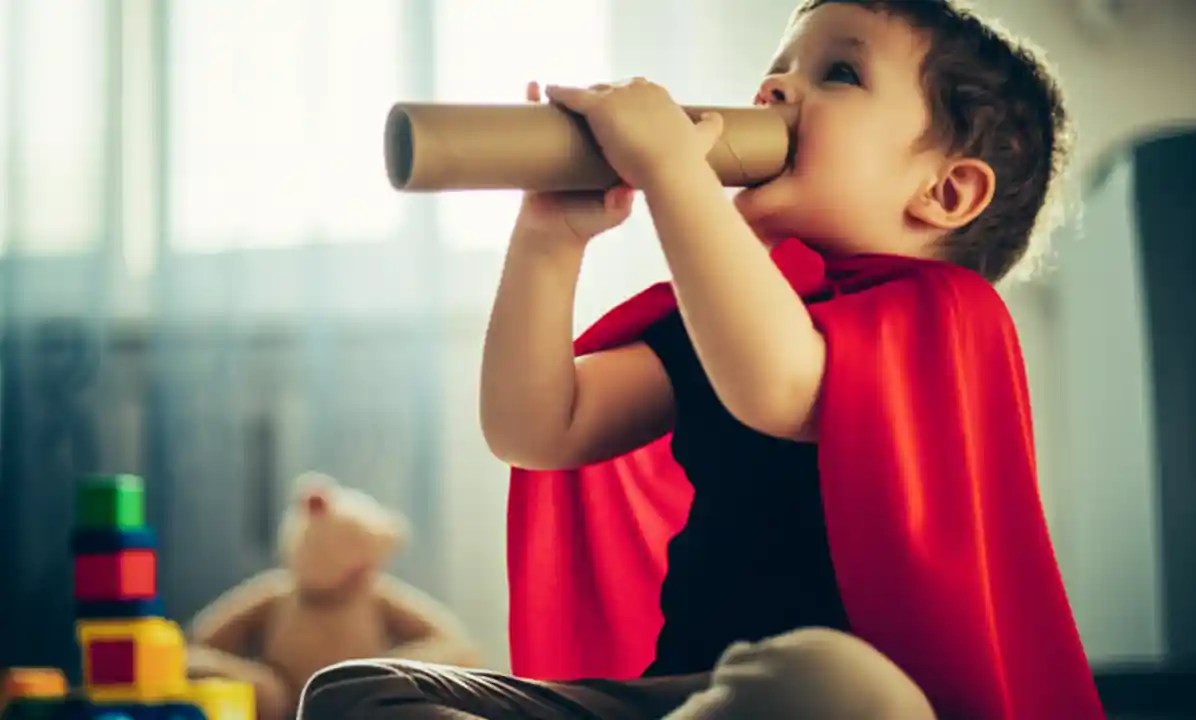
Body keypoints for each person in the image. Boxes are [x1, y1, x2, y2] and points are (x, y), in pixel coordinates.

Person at [300, 1, 1104, 718]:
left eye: (840, 73)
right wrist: (549, 239)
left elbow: (780, 388)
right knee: (354, 691)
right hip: (689, 693)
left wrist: (672, 171)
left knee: (827, 679)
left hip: (848, 698)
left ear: (949, 193)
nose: (776, 90)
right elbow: (537, 429)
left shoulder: (945, 320)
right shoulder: (744, 315)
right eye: (777, 69)